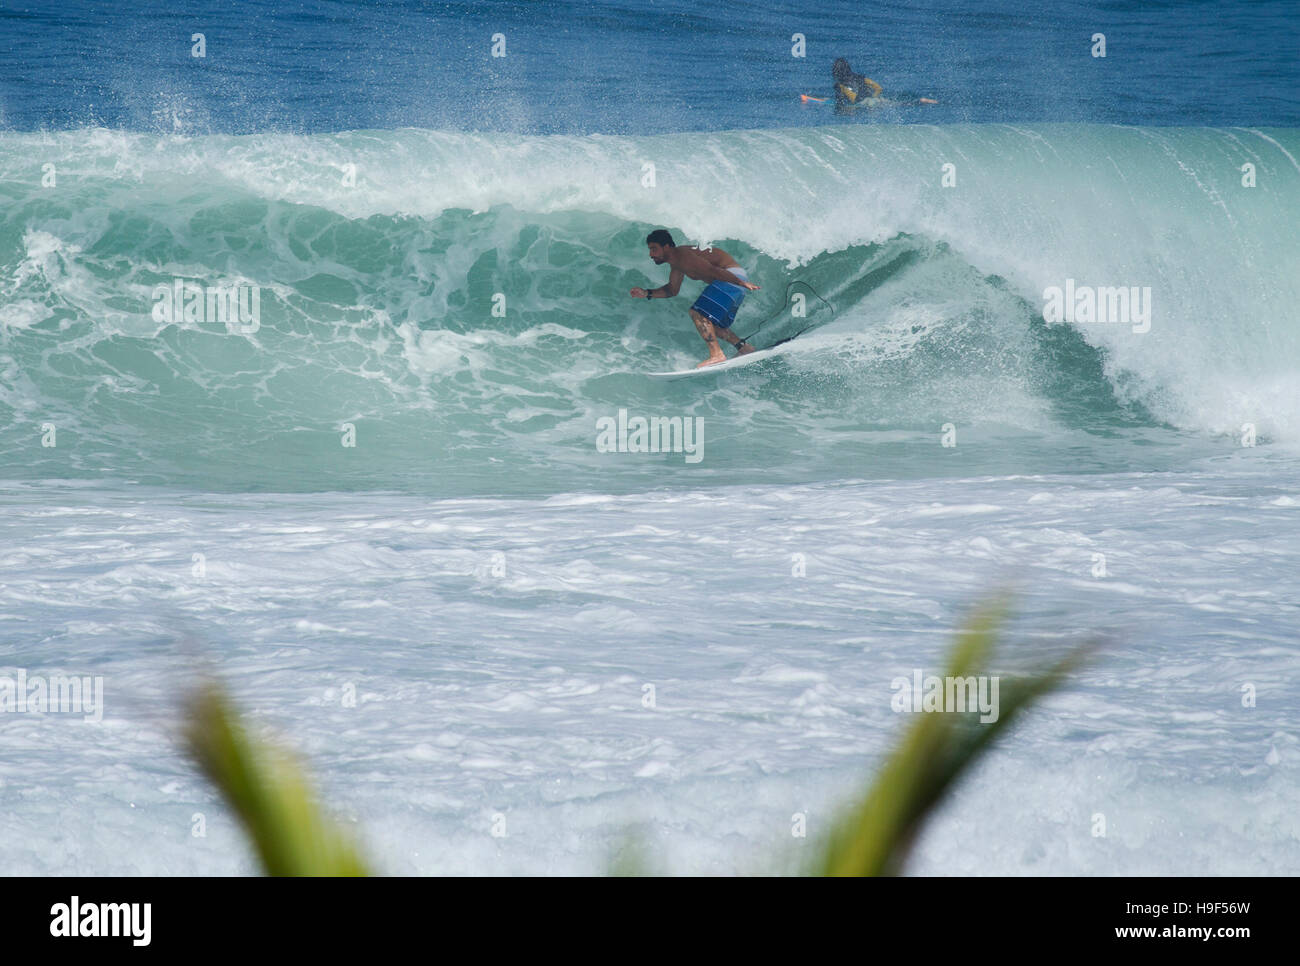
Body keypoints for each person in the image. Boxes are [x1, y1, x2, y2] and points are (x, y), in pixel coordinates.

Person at [630, 229, 761, 368]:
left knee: (697, 313)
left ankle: (717, 355)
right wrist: (646, 293)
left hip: (731, 278)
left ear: (666, 247)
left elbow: (713, 271)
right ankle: (743, 347)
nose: (651, 254)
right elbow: (672, 290)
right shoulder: (677, 263)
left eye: (654, 249)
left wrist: (740, 282)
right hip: (734, 280)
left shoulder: (683, 255)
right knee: (711, 325)